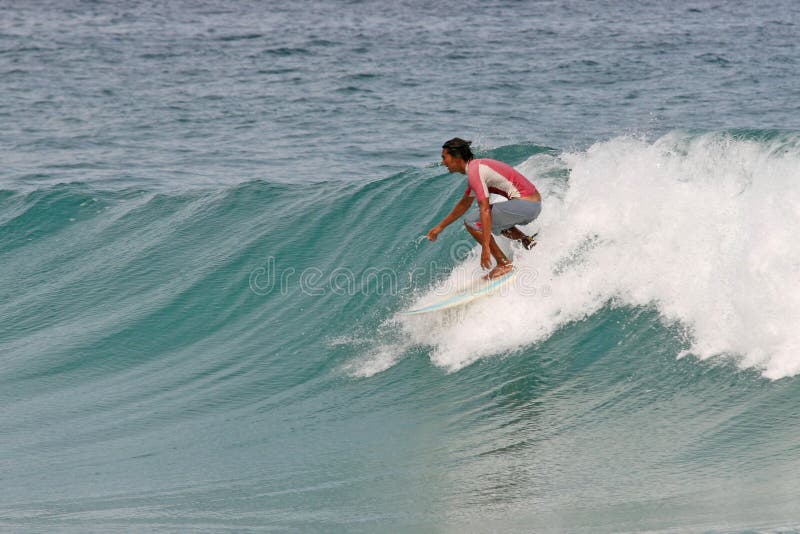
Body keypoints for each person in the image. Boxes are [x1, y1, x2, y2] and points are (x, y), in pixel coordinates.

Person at [427, 138, 542, 279]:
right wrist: (440, 227)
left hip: (525, 204)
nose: (443, 162)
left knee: (471, 221)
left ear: (456, 157)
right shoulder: (476, 168)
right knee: (493, 223)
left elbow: (485, 209)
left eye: (445, 157)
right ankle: (527, 242)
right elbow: (464, 204)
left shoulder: (475, 171)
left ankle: (503, 263)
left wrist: (486, 248)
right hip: (532, 205)